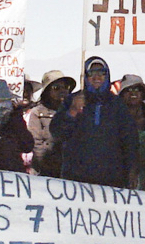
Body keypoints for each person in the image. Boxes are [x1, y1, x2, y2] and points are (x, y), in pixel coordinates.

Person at [54, 57, 140, 187]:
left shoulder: (117, 104)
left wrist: (132, 170)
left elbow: (130, 140)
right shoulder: (73, 100)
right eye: (92, 73)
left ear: (107, 75)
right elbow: (57, 132)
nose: (97, 77)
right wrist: (72, 111)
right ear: (86, 76)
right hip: (77, 177)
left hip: (112, 179)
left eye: (101, 72)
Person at [28, 71, 74, 176]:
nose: (62, 91)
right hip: (44, 172)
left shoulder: (74, 111)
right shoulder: (37, 113)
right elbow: (35, 144)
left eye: (65, 87)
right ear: (47, 91)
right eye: (56, 88)